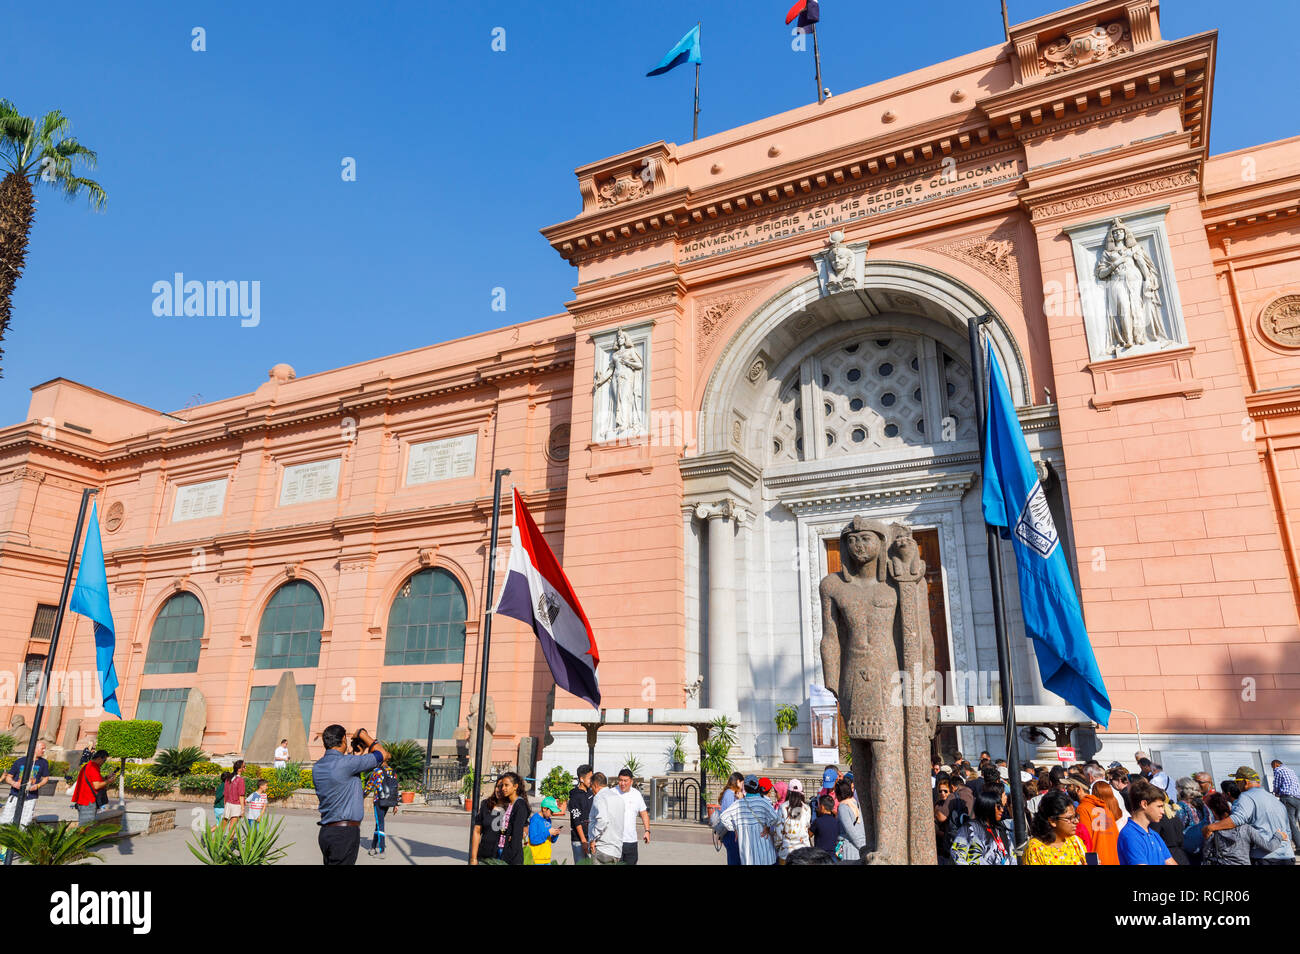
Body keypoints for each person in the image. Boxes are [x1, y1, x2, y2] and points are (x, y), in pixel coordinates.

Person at [311, 724, 389, 865]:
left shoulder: (318, 767)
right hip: (344, 834)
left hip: (326, 832)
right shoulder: (347, 763)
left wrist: (356, 754)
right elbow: (384, 755)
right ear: (343, 741)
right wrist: (363, 735)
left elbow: (344, 772)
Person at [1202, 766, 1295, 865]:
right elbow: (1287, 831)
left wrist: (1211, 827)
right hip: (1287, 855)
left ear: (1245, 782)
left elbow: (1237, 819)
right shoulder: (1275, 800)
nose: (1237, 786)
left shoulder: (1246, 796)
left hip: (1264, 857)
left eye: (1237, 782)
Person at [1201, 792, 1286, 866]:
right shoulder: (1246, 828)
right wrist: (1279, 835)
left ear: (1212, 811)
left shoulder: (1211, 830)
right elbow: (1269, 847)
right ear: (1228, 806)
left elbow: (1206, 854)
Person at [716, 775, 779, 866]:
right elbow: (775, 818)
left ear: (745, 787)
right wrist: (767, 826)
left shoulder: (738, 804)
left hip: (747, 852)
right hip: (764, 849)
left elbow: (723, 817)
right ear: (757, 787)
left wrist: (735, 829)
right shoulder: (763, 802)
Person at [1116, 780, 1178, 865]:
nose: (1162, 811)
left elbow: (1170, 862)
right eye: (1159, 806)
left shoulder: (1153, 834)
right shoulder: (1130, 835)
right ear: (1144, 804)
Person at [1024, 789, 1086, 865]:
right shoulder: (1035, 850)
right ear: (1052, 821)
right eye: (1069, 818)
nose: (1076, 821)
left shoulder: (1075, 842)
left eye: (1075, 816)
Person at [950, 791, 1012, 865]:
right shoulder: (970, 828)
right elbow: (956, 853)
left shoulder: (1000, 828)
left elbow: (1011, 855)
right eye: (998, 807)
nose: (1002, 810)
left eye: (1002, 806)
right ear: (987, 807)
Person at [1, 739, 50, 829]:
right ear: (34, 748)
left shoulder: (43, 763)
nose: (44, 751)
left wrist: (37, 785)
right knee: (6, 819)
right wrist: (14, 783)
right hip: (15, 795)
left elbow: (46, 778)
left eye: (44, 749)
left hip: (31, 797)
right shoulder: (20, 761)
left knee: (25, 822)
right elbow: (8, 777)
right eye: (42, 748)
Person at [1076, 780, 1122, 864]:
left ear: (1078, 788)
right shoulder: (1105, 808)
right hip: (1114, 859)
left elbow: (1085, 842)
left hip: (1097, 861)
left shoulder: (1082, 809)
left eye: (1068, 787)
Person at [362, 754, 399, 857]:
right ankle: (373, 847)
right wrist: (396, 804)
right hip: (388, 801)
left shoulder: (377, 771)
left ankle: (382, 850)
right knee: (378, 824)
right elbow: (396, 787)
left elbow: (369, 786)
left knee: (380, 824)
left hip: (379, 801)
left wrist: (361, 797)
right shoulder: (392, 771)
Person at [70, 749, 116, 827]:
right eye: (104, 761)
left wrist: (106, 778)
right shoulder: (93, 767)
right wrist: (109, 781)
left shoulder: (88, 766)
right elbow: (97, 785)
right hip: (88, 801)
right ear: (99, 758)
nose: (103, 763)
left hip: (83, 800)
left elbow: (93, 781)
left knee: (84, 827)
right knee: (86, 828)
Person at [587, 772, 625, 864]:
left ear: (595, 785)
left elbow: (603, 820)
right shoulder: (618, 798)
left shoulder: (599, 798)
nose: (592, 791)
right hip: (616, 850)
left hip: (602, 848)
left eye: (591, 787)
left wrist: (593, 838)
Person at [614, 768, 650, 865]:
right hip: (615, 841)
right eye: (620, 780)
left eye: (625, 781)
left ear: (631, 781)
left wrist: (647, 831)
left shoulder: (636, 794)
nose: (622, 783)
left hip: (631, 841)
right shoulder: (612, 793)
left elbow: (643, 813)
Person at [776, 778, 812, 863]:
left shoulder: (783, 807)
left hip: (786, 852)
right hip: (804, 851)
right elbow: (807, 827)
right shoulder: (807, 808)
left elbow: (779, 831)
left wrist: (778, 845)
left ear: (788, 792)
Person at [1174, 776, 1207, 864]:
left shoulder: (1180, 806)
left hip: (1187, 847)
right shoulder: (1200, 804)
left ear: (1180, 790)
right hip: (1201, 845)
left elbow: (1178, 827)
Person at [567, 764, 594, 864]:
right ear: (581, 779)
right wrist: (583, 841)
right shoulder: (575, 796)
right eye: (589, 778)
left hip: (591, 838)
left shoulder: (591, 793)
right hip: (579, 840)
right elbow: (576, 820)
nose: (591, 781)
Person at [1270, 759, 1300, 849]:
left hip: (1287, 799)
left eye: (1272, 767)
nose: (1272, 769)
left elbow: (1277, 784)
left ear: (1275, 764)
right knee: (1295, 823)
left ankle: (1298, 846)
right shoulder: (1291, 770)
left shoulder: (1278, 770)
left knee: (1290, 824)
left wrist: (1276, 792)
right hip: (1297, 799)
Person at [835, 777, 865, 863]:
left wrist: (861, 846)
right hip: (860, 846)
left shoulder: (843, 806)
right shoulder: (856, 803)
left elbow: (850, 830)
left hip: (850, 848)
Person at [528, 795, 562, 865]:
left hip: (546, 858)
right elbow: (533, 840)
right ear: (544, 809)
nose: (552, 814)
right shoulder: (535, 820)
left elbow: (551, 840)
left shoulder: (548, 820)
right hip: (536, 859)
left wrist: (555, 835)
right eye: (551, 812)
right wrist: (548, 832)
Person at [221, 760, 246, 834]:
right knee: (232, 827)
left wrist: (225, 804)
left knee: (223, 826)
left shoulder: (228, 778)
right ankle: (228, 844)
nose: (245, 768)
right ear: (239, 769)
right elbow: (241, 795)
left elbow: (225, 793)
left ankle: (215, 843)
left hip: (228, 803)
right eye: (244, 767)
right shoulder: (240, 780)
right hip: (236, 805)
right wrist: (242, 809)